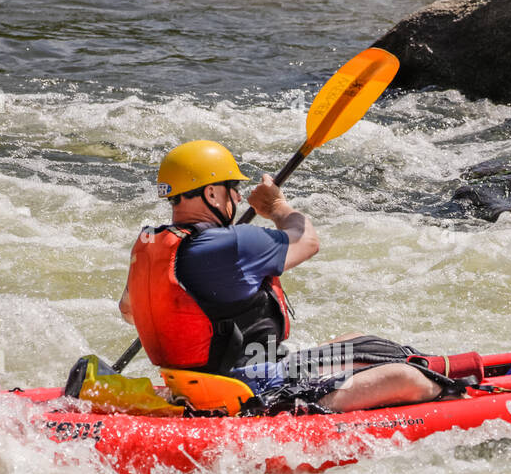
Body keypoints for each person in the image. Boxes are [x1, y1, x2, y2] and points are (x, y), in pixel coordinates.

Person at [119, 140, 443, 412]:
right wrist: (276, 206)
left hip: (195, 383)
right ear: (212, 193)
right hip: (256, 385)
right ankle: (450, 388)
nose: (236, 198)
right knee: (406, 378)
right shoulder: (234, 243)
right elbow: (307, 240)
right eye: (233, 189)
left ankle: (433, 364)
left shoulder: (152, 245)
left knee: (357, 342)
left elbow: (130, 310)